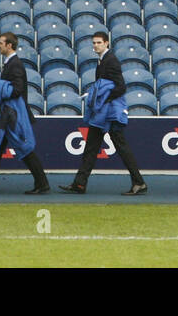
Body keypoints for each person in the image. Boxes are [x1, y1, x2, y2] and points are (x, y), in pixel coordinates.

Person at [60, 31, 147, 195]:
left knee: (120, 147)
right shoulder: (102, 61)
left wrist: (103, 98)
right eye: (94, 43)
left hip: (110, 113)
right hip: (103, 112)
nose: (95, 46)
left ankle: (139, 182)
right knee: (91, 147)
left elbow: (120, 87)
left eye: (99, 42)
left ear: (106, 43)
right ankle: (79, 184)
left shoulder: (111, 61)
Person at [0, 33, 51, 194]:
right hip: (7, 115)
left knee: (24, 149)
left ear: (9, 45)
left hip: (11, 115)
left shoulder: (15, 64)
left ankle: (42, 183)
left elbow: (17, 89)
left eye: (1, 43)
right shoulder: (11, 63)